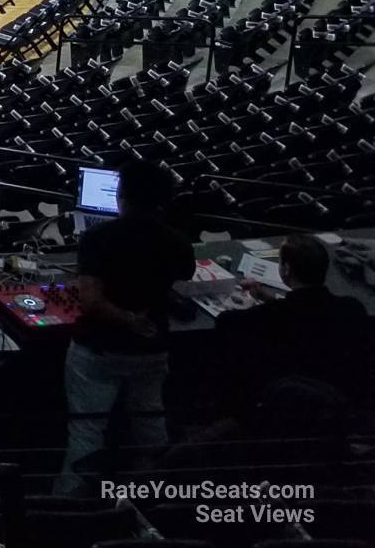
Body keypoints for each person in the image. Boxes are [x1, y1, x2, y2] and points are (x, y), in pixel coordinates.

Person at [56, 159, 193, 496]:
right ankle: (158, 497)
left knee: (87, 431)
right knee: (150, 427)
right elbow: (183, 276)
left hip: (100, 351)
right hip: (152, 350)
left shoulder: (97, 237)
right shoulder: (175, 241)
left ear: (122, 196)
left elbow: (90, 301)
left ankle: (68, 506)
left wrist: (129, 319)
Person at [212, 234, 373, 423]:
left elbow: (226, 322)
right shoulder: (352, 309)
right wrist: (268, 299)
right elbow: (306, 311)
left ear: (286, 269)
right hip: (339, 403)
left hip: (283, 408)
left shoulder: (267, 317)